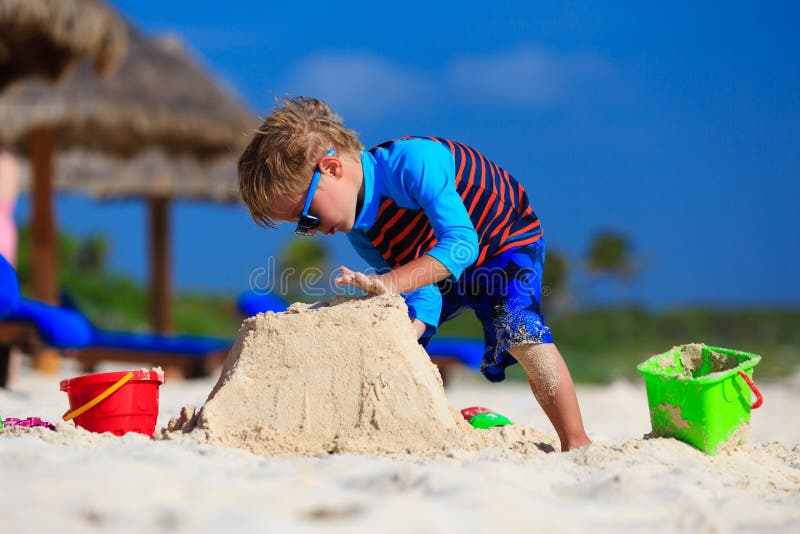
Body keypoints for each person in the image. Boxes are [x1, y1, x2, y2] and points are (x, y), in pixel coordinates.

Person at [238, 97, 591, 451]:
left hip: (503, 243)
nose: (309, 230)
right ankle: (422, 427)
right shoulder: (363, 233)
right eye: (300, 228)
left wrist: (387, 285)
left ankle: (576, 441)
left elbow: (462, 245)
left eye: (306, 216)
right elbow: (425, 292)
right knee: (395, 333)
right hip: (441, 268)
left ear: (331, 168)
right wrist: (412, 330)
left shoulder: (412, 163)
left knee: (519, 328)